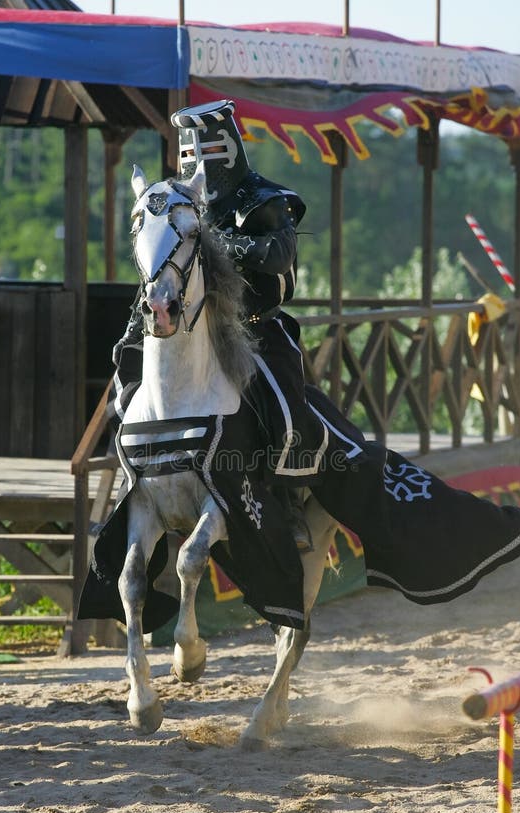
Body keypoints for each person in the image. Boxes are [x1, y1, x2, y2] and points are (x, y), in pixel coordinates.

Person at [113, 98, 330, 550]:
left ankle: (287, 499)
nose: (196, 157)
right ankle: (133, 480)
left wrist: (217, 241)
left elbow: (278, 256)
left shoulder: (266, 200)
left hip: (258, 326)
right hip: (192, 326)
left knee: (284, 403)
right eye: (189, 149)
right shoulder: (177, 203)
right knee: (129, 372)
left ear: (227, 145)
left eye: (205, 147)